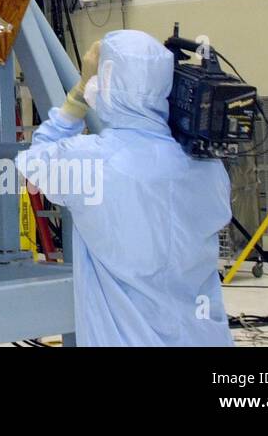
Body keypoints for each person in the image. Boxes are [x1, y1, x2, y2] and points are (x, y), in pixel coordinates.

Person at [14, 29, 234, 346]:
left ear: (105, 79)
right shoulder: (209, 168)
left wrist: (76, 99)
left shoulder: (91, 162)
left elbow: (32, 165)